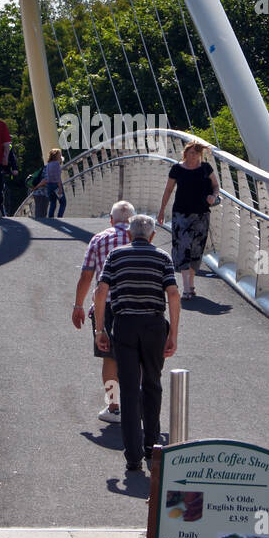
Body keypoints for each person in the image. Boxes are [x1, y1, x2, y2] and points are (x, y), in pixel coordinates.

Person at [94, 213, 180, 474]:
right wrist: (173, 333)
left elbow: (101, 291)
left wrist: (101, 329)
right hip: (154, 325)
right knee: (152, 384)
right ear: (153, 235)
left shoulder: (116, 256)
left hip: (125, 325)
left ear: (129, 234)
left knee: (130, 391)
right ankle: (152, 448)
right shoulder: (163, 258)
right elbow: (173, 294)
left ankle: (132, 457)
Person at [72, 201, 135, 427]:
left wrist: (78, 305)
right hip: (136, 305)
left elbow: (87, 275)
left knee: (109, 357)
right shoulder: (139, 238)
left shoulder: (99, 239)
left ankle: (113, 406)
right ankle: (134, 404)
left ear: (111, 219)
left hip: (105, 305)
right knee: (135, 355)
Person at [156, 140, 219, 298]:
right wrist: (162, 210)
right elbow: (169, 189)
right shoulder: (177, 169)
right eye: (191, 153)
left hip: (201, 214)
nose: (194, 156)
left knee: (196, 250)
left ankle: (191, 284)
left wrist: (214, 195)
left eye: (197, 153)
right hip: (181, 214)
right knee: (183, 247)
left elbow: (216, 186)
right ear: (185, 153)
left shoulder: (205, 168)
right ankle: (185, 288)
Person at [32, 147, 66, 219]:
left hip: (49, 186)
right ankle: (59, 217)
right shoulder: (57, 164)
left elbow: (46, 178)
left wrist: (36, 187)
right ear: (56, 156)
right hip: (56, 186)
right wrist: (60, 188)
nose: (61, 156)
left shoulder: (48, 165)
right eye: (60, 154)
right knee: (63, 202)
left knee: (53, 203)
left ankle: (50, 218)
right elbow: (58, 178)